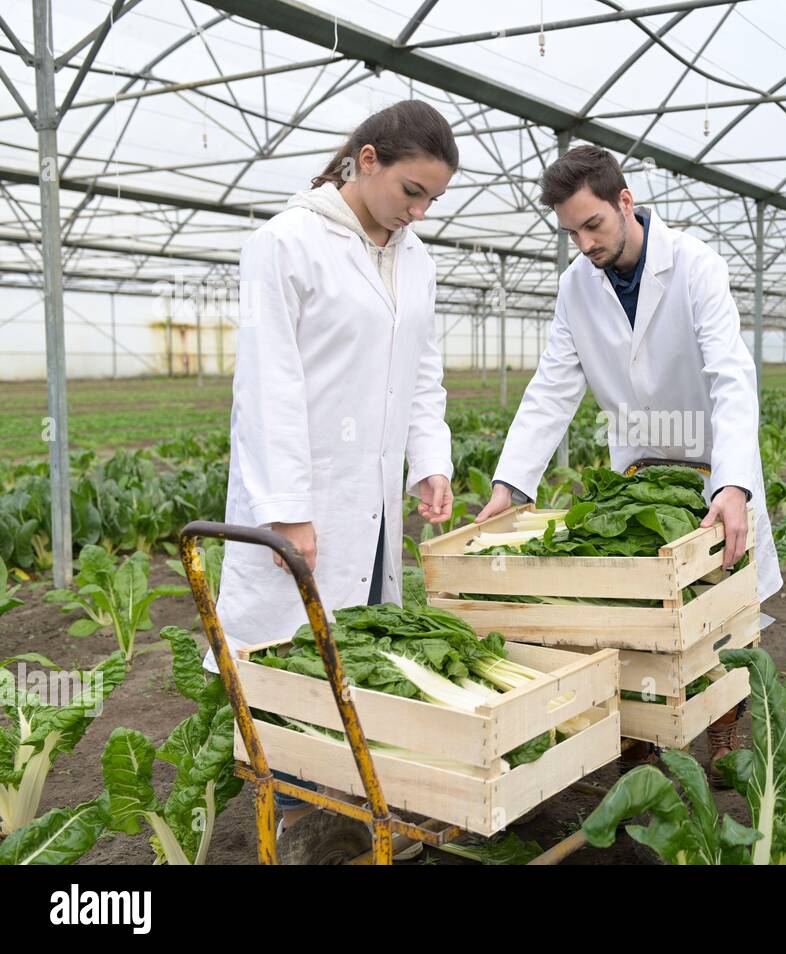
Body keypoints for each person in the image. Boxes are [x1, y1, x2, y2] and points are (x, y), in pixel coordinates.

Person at [476, 145, 781, 782]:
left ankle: (724, 730)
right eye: (571, 233)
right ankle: (639, 737)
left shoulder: (695, 265)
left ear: (625, 202)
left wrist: (732, 484)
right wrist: (511, 482)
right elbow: (552, 388)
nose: (585, 243)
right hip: (639, 475)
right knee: (635, 614)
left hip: (707, 464)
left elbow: (731, 377)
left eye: (594, 225)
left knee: (720, 609)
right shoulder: (575, 288)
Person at [212, 100, 458, 848]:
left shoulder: (416, 260)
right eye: (411, 191)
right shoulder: (288, 243)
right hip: (304, 496)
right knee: (289, 662)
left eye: (433, 201)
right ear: (368, 161)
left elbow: (423, 374)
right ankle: (291, 814)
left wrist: (431, 460)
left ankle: (346, 798)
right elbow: (268, 385)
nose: (418, 212)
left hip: (373, 503)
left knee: (352, 649)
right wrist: (287, 508)